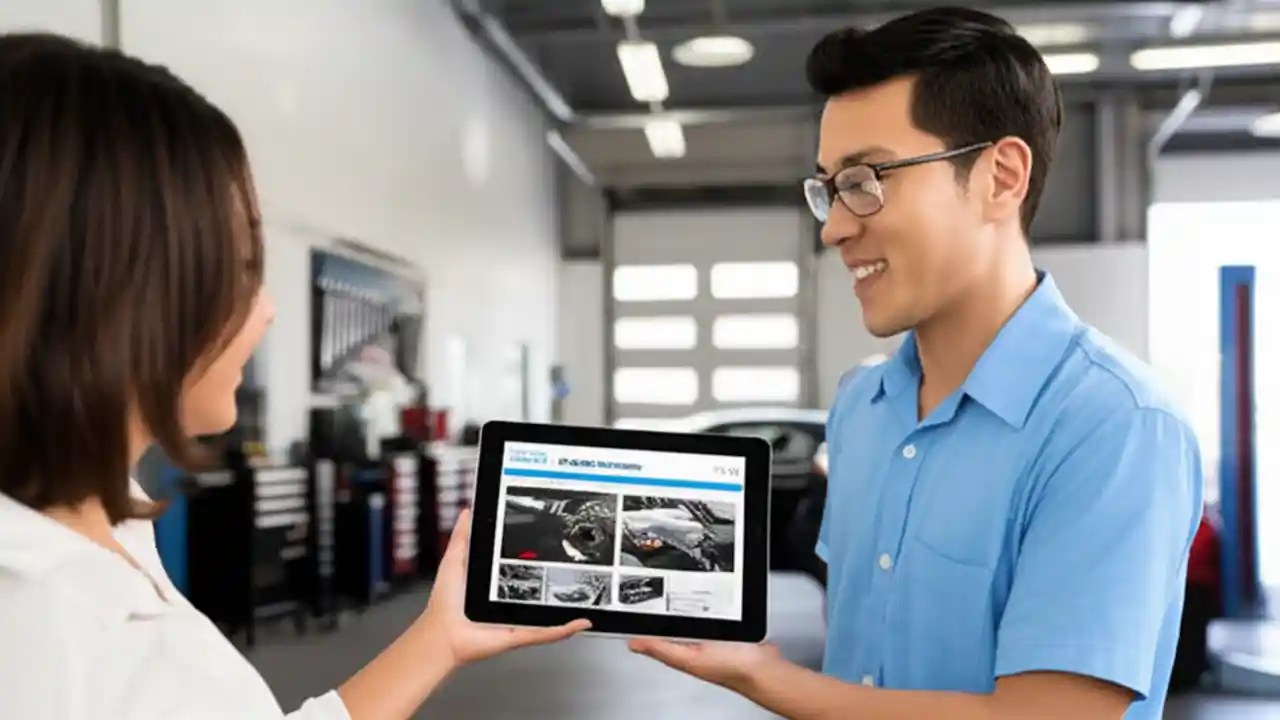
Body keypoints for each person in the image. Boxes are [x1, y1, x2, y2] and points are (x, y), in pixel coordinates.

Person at [629, 8, 1203, 720]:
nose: (836, 226)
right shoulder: (862, 409)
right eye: (828, 188)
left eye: (866, 179)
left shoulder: (1114, 428)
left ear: (1002, 175)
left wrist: (770, 680)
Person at [0, 33, 588, 719]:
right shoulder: (38, 624)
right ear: (126, 293)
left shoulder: (102, 528)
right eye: (245, 268)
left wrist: (439, 639)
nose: (269, 311)